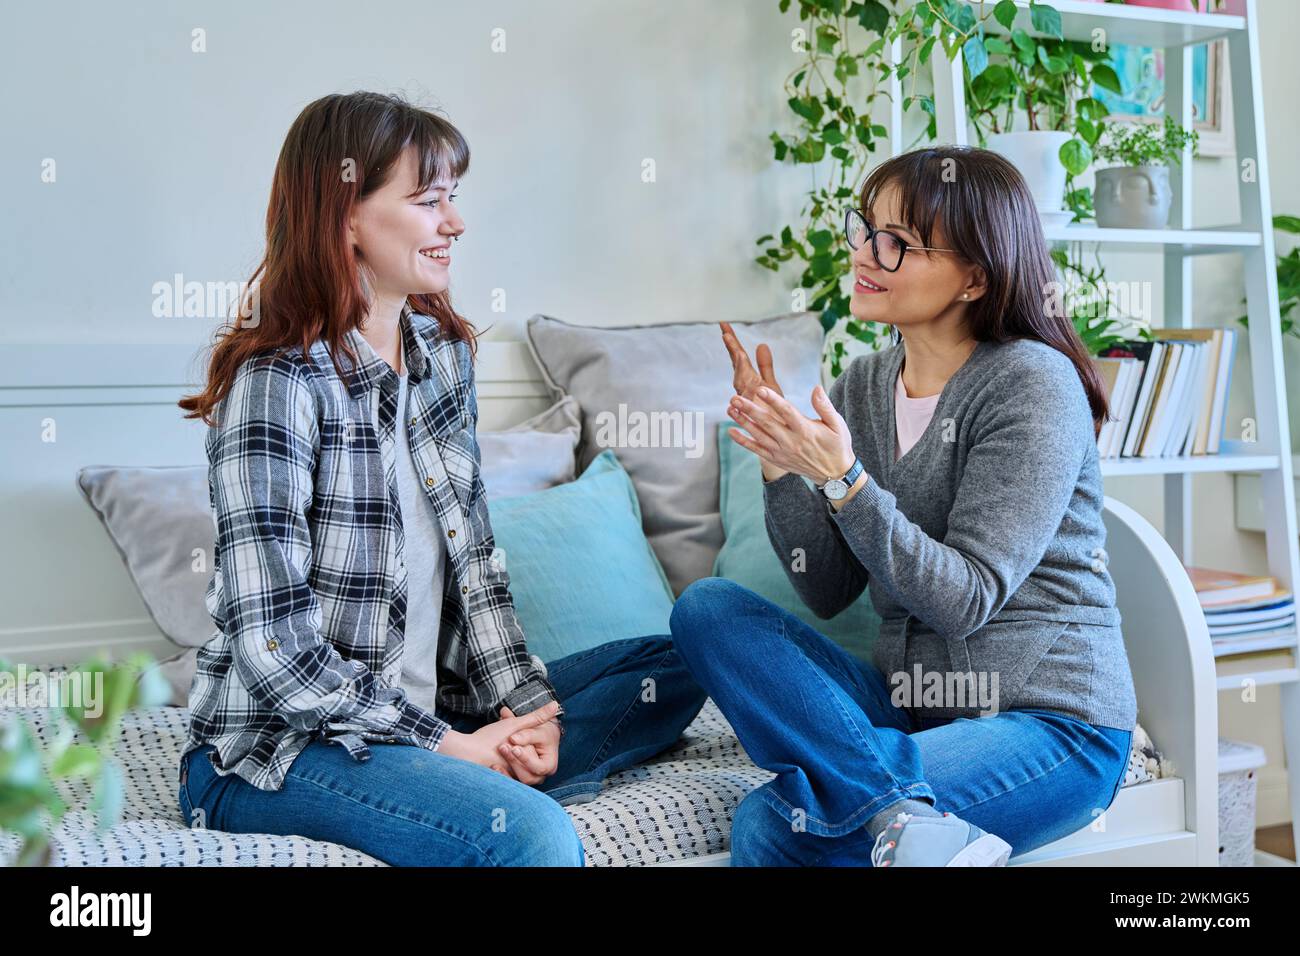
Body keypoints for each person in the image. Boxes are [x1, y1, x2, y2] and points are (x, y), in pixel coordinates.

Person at [175, 91, 706, 866]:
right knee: (530, 836)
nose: (454, 223)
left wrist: (529, 712)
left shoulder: (440, 359)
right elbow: (275, 648)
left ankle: (485, 770)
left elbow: (479, 569)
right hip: (281, 750)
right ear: (346, 213)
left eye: (451, 199)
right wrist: (450, 747)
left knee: (683, 660)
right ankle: (472, 785)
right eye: (429, 202)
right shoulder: (278, 384)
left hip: (428, 712)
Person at [670, 146, 1137, 867]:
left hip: (1049, 723)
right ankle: (900, 811)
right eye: (864, 229)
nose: (866, 254)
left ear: (976, 276)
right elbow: (826, 591)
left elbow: (965, 600)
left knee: (774, 825)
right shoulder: (862, 384)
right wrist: (780, 463)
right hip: (912, 708)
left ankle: (894, 809)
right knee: (707, 609)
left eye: (897, 242)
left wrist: (847, 481)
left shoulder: (1031, 384)